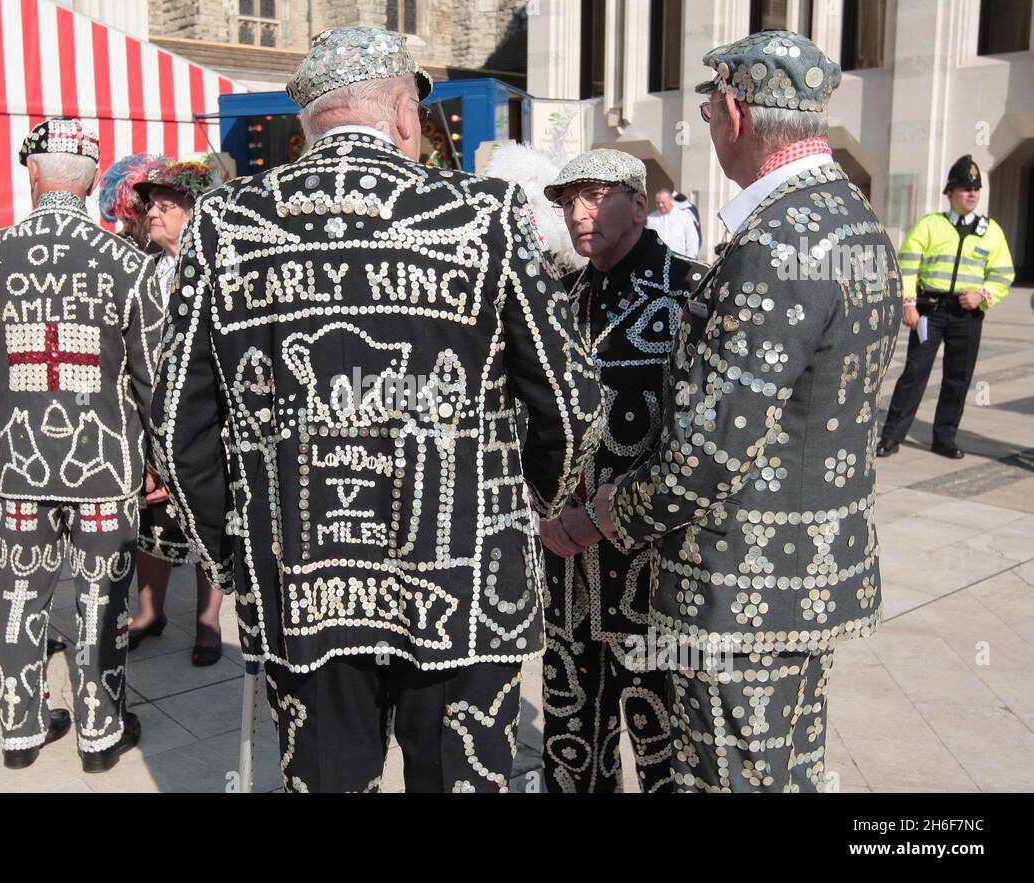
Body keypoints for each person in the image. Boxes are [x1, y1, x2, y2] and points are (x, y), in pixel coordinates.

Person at [151, 26, 602, 793]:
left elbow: (174, 423)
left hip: (300, 584)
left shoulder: (224, 227)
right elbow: (572, 399)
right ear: (402, 112)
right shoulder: (484, 215)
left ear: (308, 124)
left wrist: (236, 554)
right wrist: (523, 504)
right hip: (466, 591)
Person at [591, 29, 901, 792]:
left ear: (734, 111)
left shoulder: (776, 240)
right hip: (811, 577)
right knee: (782, 772)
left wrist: (610, 513)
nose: (707, 121)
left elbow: (712, 449)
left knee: (731, 780)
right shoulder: (855, 219)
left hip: (741, 592)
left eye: (707, 107)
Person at [0, 118, 163, 772]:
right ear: (94, 179)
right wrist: (161, 460)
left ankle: (21, 725)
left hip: (18, 463)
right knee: (102, 595)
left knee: (22, 594)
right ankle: (99, 728)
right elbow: (152, 375)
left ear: (31, 174)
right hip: (106, 464)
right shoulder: (129, 263)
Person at [537, 149, 708, 793]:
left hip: (655, 564)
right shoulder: (559, 299)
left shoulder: (692, 292)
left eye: (595, 197)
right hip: (566, 568)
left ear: (639, 204)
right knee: (571, 734)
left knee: (665, 739)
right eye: (568, 201)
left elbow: (703, 443)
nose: (579, 214)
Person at [128, 157, 225, 664]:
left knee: (210, 512)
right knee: (152, 519)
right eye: (151, 204)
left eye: (168, 204)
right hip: (152, 415)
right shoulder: (144, 272)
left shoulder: (214, 268)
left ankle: (208, 620)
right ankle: (150, 611)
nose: (154, 213)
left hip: (209, 416)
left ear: (197, 209)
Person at [876, 155, 1015, 460]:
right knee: (914, 372)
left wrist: (983, 295)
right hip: (930, 312)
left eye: (976, 188)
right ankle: (891, 436)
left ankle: (944, 438)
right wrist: (908, 304)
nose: (972, 193)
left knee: (958, 377)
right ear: (950, 192)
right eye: (965, 188)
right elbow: (908, 268)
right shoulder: (930, 226)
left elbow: (1003, 274)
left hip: (967, 315)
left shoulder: (991, 232)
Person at [646, 188, 701, 259]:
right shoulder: (651, 218)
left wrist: (690, 259)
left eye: (663, 202)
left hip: (678, 261)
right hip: (656, 259)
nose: (660, 205)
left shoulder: (684, 217)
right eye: (658, 203)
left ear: (671, 200)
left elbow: (692, 240)